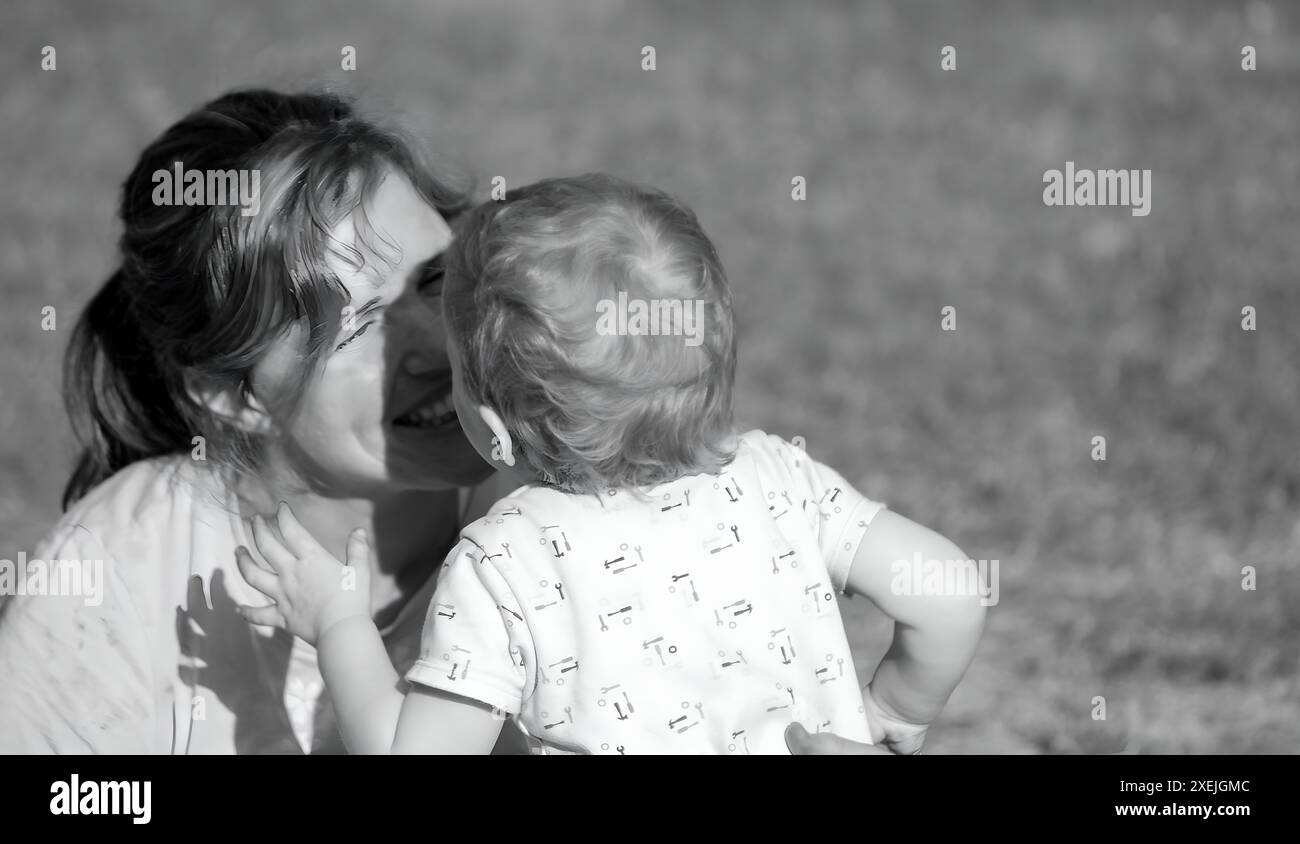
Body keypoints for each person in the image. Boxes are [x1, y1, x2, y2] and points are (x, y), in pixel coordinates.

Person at [237, 174, 986, 754]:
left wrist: (338, 621)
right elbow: (950, 590)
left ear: (493, 430)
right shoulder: (779, 477)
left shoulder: (506, 561)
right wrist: (894, 708)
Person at [0, 88, 527, 753]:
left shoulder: (583, 494)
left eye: (435, 279)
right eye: (356, 326)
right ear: (229, 393)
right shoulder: (111, 583)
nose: (438, 345)